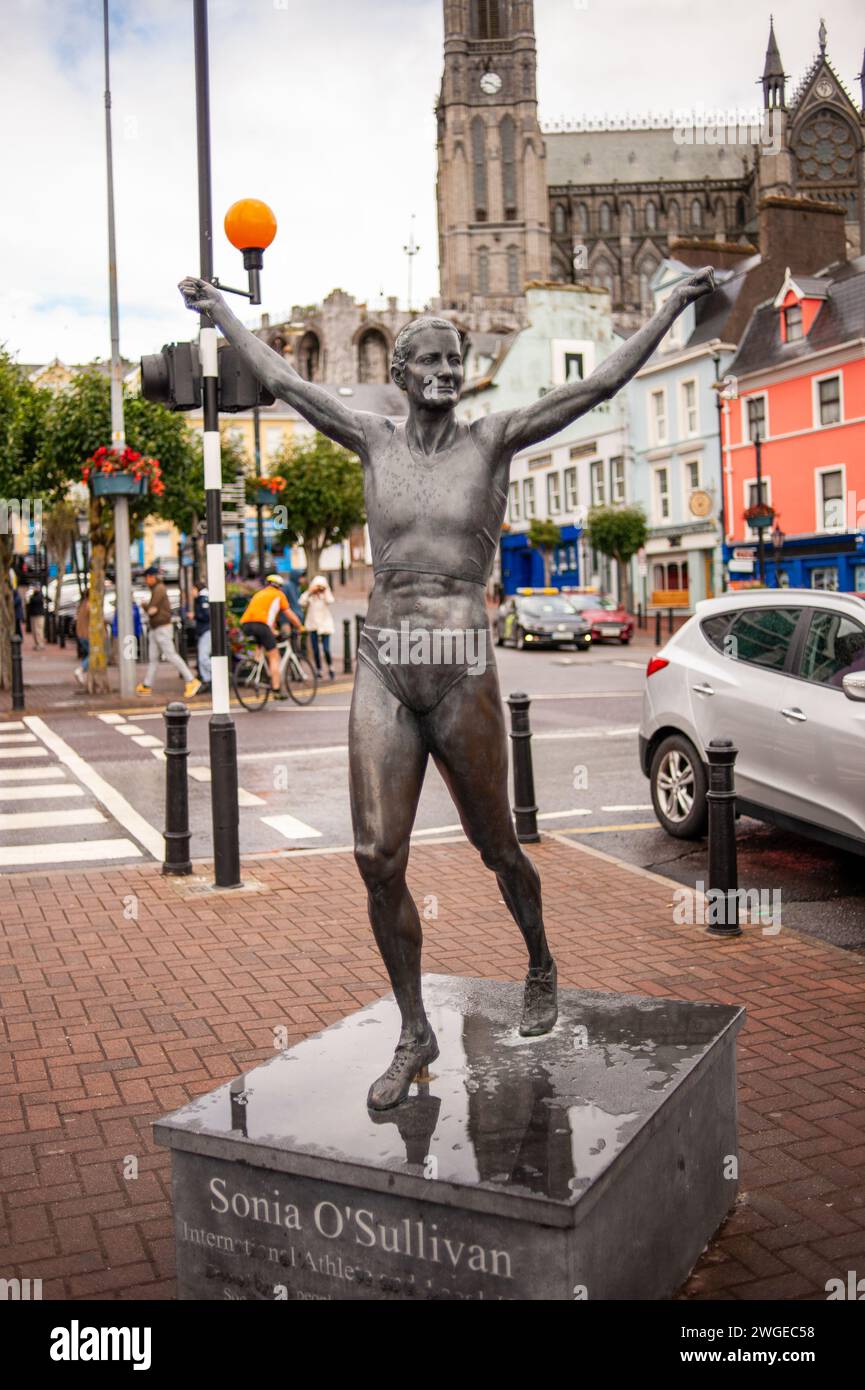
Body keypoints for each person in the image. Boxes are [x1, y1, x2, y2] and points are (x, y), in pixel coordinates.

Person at [180, 262, 716, 1110]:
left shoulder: (493, 439)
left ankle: (539, 960)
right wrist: (217, 317)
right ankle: (413, 1030)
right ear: (398, 376)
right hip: (385, 666)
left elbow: (607, 380)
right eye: (424, 360)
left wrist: (664, 307)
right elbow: (283, 378)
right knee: (374, 854)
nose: (439, 372)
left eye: (450, 360)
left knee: (497, 845)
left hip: (464, 664)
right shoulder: (372, 439)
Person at [136, 566, 200, 699]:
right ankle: (147, 685)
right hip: (156, 628)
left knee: (171, 655)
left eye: (148, 577)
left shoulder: (159, 589)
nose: (146, 580)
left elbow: (152, 610)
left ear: (152, 577)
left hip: (162, 628)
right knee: (153, 658)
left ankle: (191, 680)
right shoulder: (156, 589)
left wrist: (144, 605)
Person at [239, 574, 302, 699]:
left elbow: (265, 617)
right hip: (261, 626)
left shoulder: (259, 594)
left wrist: (274, 632)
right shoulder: (279, 595)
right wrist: (300, 627)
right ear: (279, 586)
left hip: (246, 625)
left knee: (261, 645)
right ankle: (276, 689)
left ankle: (257, 666)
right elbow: (289, 614)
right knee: (275, 656)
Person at [300, 573, 336, 680]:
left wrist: (324, 591)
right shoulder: (310, 596)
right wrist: (310, 592)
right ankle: (318, 669)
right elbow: (301, 602)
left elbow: (330, 600)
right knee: (315, 649)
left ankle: (330, 667)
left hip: (325, 626)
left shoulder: (325, 595)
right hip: (313, 625)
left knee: (326, 649)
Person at [191, 584, 212, 693]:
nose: (191, 592)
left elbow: (206, 615)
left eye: (192, 589)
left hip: (206, 630)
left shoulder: (203, 598)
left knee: (203, 657)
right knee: (201, 657)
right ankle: (207, 680)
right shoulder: (202, 598)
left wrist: (194, 615)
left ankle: (217, 674)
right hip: (204, 631)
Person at [73, 594, 90, 687]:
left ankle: (85, 673)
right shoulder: (89, 605)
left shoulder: (82, 605)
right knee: (93, 655)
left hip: (81, 634)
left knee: (89, 654)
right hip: (87, 634)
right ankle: (80, 669)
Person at [26, 585, 45, 649]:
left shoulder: (40, 595)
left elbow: (36, 601)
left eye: (34, 588)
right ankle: (37, 643)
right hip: (33, 615)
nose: (33, 589)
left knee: (38, 630)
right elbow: (29, 603)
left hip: (38, 615)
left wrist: (30, 597)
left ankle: (40, 644)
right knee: (34, 631)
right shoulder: (33, 595)